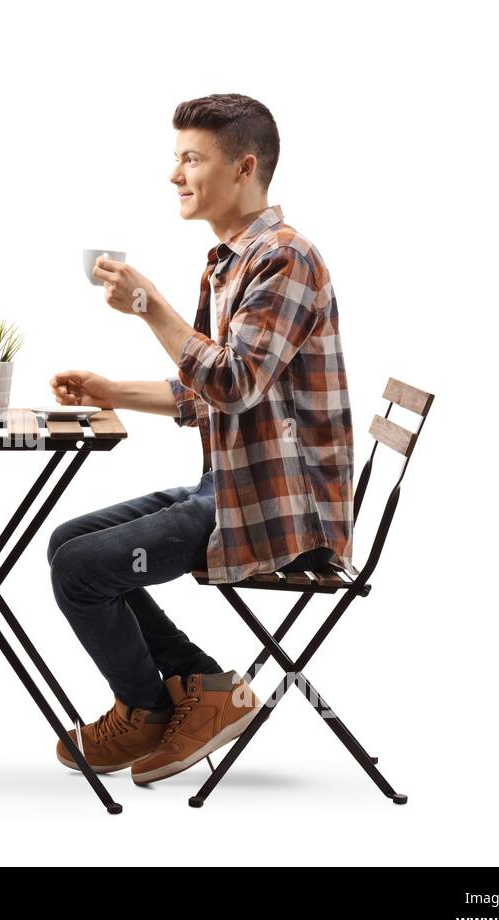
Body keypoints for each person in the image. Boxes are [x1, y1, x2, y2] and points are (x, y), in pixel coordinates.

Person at [47, 93, 355, 785]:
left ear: (244, 167)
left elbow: (234, 382)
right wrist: (110, 391)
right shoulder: (229, 261)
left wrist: (149, 308)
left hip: (284, 512)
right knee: (67, 541)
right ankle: (200, 688)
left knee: (80, 571)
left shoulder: (285, 260)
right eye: (176, 157)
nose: (175, 174)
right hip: (239, 487)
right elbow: (203, 392)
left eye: (192, 158)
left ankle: (149, 706)